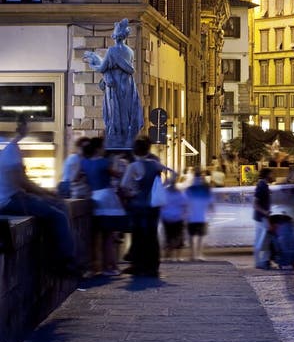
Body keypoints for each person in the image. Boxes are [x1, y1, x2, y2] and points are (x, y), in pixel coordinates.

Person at [0, 115, 78, 276]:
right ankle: (65, 261)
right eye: (25, 126)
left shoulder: (12, 149)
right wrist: (44, 194)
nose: (27, 129)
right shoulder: (11, 151)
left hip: (14, 196)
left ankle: (63, 256)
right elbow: (22, 182)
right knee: (58, 216)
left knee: (60, 206)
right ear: (20, 128)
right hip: (9, 200)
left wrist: (47, 193)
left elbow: (23, 180)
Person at [84, 19, 144, 150]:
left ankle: (116, 140)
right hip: (127, 86)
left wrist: (93, 62)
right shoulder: (130, 51)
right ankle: (125, 139)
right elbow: (126, 67)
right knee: (126, 113)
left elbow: (102, 68)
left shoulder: (112, 51)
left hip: (115, 87)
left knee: (114, 113)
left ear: (115, 36)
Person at [120, 136, 175, 277]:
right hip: (153, 205)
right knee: (152, 235)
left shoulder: (133, 166)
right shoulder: (155, 164)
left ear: (135, 151)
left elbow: (124, 186)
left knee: (138, 235)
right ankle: (153, 265)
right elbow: (174, 174)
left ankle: (139, 265)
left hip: (138, 205)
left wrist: (133, 193)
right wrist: (164, 186)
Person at [80, 137, 126, 275]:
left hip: (94, 198)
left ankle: (95, 267)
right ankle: (110, 266)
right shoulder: (104, 162)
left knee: (95, 236)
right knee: (108, 236)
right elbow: (118, 175)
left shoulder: (84, 163)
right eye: (103, 146)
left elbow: (77, 178)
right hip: (107, 199)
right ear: (98, 148)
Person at [185, 169, 213, 261]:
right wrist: (211, 212)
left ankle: (193, 255)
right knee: (201, 236)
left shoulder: (190, 188)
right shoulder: (205, 189)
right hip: (202, 217)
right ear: (201, 176)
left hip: (191, 216)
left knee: (192, 236)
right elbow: (211, 203)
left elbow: (185, 202)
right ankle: (199, 254)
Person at [160, 176, 188, 262]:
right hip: (177, 217)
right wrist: (185, 216)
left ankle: (168, 256)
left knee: (168, 236)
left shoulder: (164, 192)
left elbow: (161, 204)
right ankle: (177, 257)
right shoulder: (179, 193)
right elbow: (184, 205)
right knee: (178, 236)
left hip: (166, 217)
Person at [253, 168, 273, 269]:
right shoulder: (262, 186)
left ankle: (263, 261)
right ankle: (261, 262)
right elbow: (255, 203)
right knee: (262, 241)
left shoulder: (263, 185)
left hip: (261, 217)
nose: (272, 176)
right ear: (267, 175)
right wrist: (265, 212)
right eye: (271, 174)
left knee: (263, 240)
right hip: (262, 218)